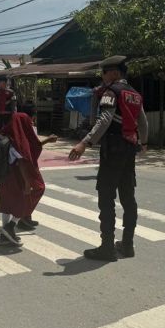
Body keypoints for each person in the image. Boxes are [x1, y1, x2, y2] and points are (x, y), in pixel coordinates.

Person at [69, 56, 148, 261]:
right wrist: (144, 143)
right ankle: (128, 245)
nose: (103, 78)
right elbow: (144, 123)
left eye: (104, 73)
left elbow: (104, 120)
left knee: (106, 197)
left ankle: (107, 248)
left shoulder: (112, 92)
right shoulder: (135, 94)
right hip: (129, 149)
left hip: (113, 149)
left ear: (114, 73)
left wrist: (84, 143)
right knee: (128, 198)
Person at [0, 113, 57, 245]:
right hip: (15, 176)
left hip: (3, 175)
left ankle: (5, 235)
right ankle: (10, 226)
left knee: (7, 204)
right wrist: (27, 182)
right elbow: (22, 162)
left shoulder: (4, 135)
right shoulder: (18, 141)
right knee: (23, 200)